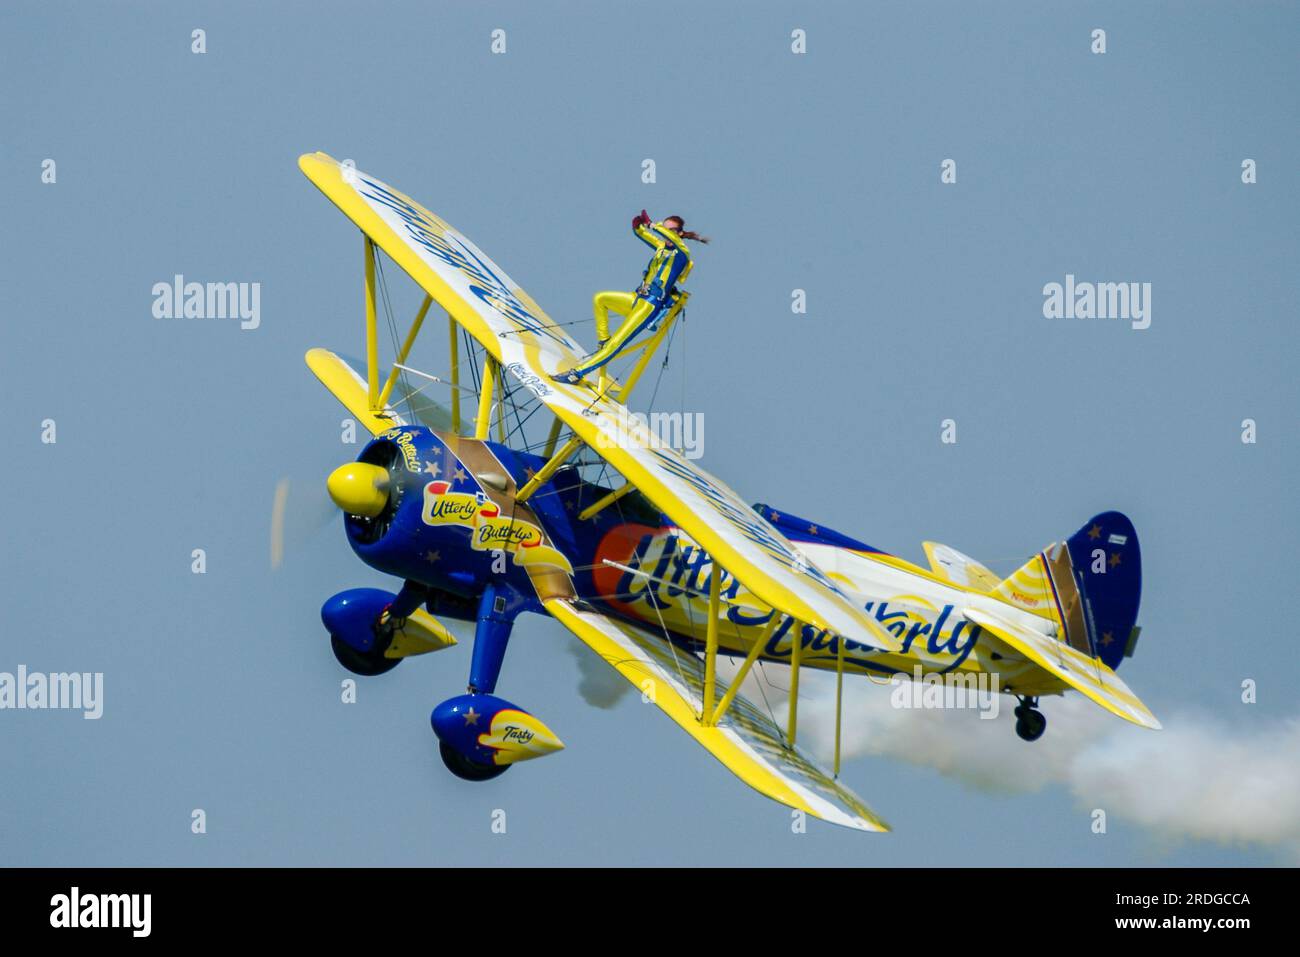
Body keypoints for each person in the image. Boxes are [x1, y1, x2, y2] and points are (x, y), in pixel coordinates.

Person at [553, 210, 707, 384]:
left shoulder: (682, 253)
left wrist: (651, 225)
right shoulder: (662, 248)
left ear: (679, 233)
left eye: (670, 230)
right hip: (637, 298)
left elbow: (662, 235)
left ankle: (576, 374)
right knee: (600, 299)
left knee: (616, 344)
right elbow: (644, 235)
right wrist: (637, 226)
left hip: (650, 305)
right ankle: (604, 343)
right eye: (665, 229)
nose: (665, 233)